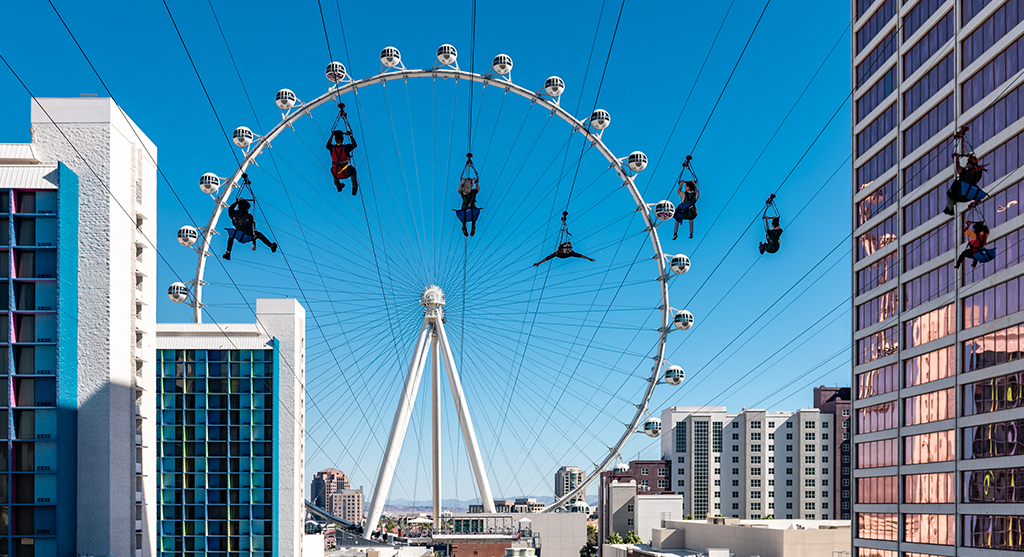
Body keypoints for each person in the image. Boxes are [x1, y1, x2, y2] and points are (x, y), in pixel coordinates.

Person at [327, 129, 359, 194]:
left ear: (335, 140)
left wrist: (332, 135)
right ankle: (354, 187)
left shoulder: (332, 148)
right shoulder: (346, 147)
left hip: (337, 174)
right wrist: (350, 135)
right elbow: (354, 145)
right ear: (343, 139)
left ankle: (338, 186)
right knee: (353, 170)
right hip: (346, 173)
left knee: (332, 169)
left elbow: (327, 145)